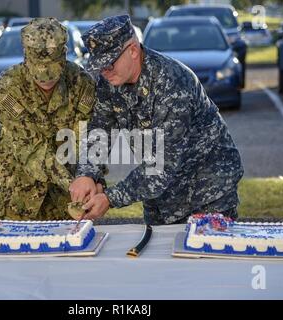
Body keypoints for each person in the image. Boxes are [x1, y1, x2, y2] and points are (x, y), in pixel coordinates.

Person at [69, 15, 244, 225]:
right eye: (99, 65)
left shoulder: (173, 84)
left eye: (109, 63)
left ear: (133, 50)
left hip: (207, 192)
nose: (104, 71)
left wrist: (109, 199)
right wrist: (86, 174)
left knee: (206, 254)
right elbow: (100, 130)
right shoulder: (110, 81)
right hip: (160, 198)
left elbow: (161, 167)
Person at [0, 17, 99, 220]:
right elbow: (30, 150)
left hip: (68, 199)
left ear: (64, 56)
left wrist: (92, 179)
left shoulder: (81, 83)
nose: (46, 78)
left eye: (53, 69)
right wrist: (73, 183)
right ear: (26, 58)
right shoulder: (8, 87)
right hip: (18, 192)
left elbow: (88, 139)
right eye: (39, 69)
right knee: (18, 249)